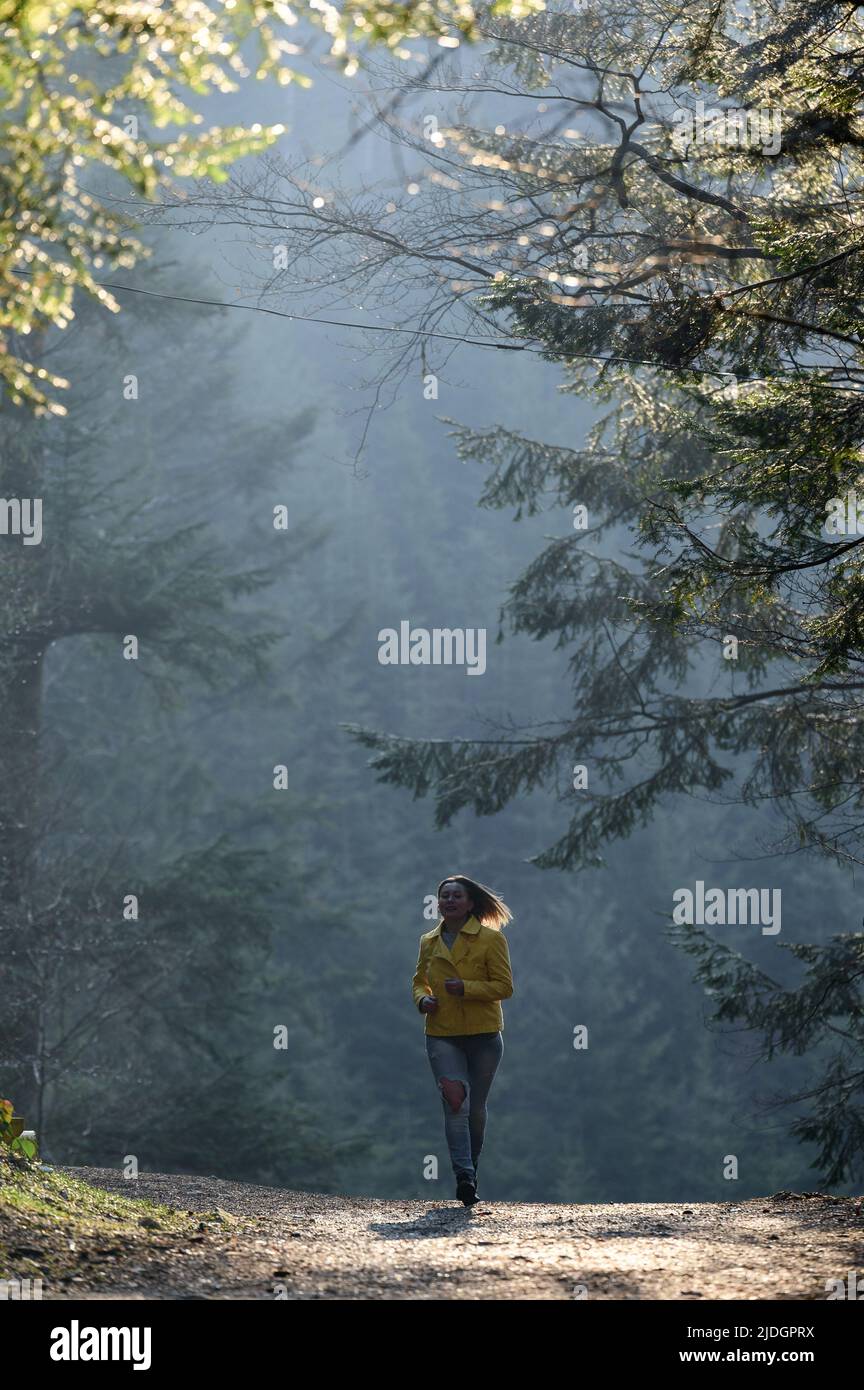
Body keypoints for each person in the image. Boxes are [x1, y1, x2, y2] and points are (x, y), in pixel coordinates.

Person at [412, 874, 514, 1206]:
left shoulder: (490, 939)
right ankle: (464, 1177)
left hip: (484, 1035)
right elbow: (419, 981)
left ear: (470, 903)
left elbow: (504, 987)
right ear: (438, 903)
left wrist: (466, 989)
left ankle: (472, 1167)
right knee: (456, 1104)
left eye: (457, 896)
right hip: (442, 1033)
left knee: (476, 1108)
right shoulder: (429, 941)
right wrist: (422, 1000)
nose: (450, 901)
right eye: (445, 896)